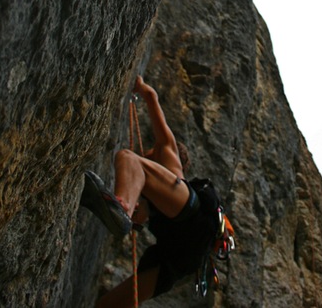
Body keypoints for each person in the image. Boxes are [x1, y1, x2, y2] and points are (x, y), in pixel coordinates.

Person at [80, 75, 220, 307]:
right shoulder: (154, 197)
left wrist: (141, 87)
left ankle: (121, 207)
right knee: (107, 305)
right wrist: (135, 213)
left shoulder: (167, 153)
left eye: (150, 152)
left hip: (189, 213)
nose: (146, 154)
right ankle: (122, 209)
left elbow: (152, 98)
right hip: (178, 259)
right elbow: (141, 217)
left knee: (127, 157)